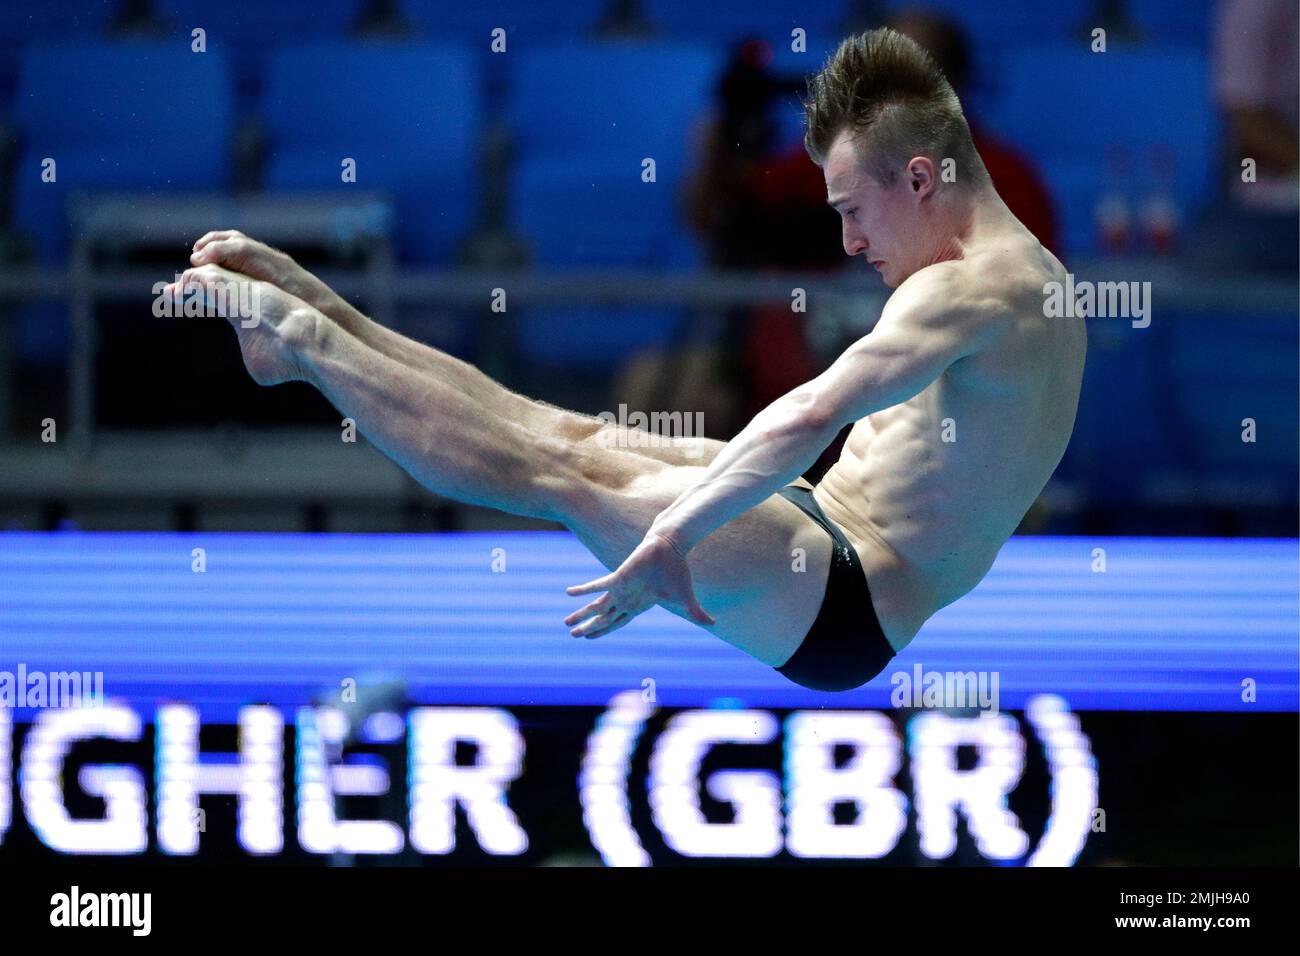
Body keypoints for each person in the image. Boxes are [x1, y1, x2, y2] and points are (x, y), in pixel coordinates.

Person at [172, 29, 1085, 692]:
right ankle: (329, 314)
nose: (848, 241)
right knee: (569, 432)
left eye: (852, 209)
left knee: (553, 469)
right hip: (827, 524)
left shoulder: (964, 290)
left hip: (842, 591)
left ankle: (308, 343)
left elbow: (810, 416)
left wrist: (669, 537)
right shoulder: (1040, 280)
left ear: (921, 178)